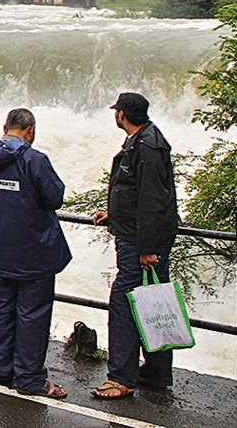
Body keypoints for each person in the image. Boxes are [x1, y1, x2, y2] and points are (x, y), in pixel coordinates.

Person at [0, 108, 72, 399]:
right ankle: (29, 379)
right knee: (32, 314)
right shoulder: (33, 159)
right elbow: (55, 197)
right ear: (30, 131)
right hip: (33, 252)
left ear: (5, 127)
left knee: (2, 308)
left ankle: (1, 371)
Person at [91, 92, 180, 400]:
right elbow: (136, 192)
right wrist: (113, 213)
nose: (115, 115)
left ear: (122, 116)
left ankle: (122, 379)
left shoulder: (147, 147)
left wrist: (147, 247)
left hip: (139, 242)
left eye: (117, 111)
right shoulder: (142, 141)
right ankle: (156, 372)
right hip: (137, 236)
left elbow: (154, 200)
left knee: (124, 304)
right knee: (151, 300)